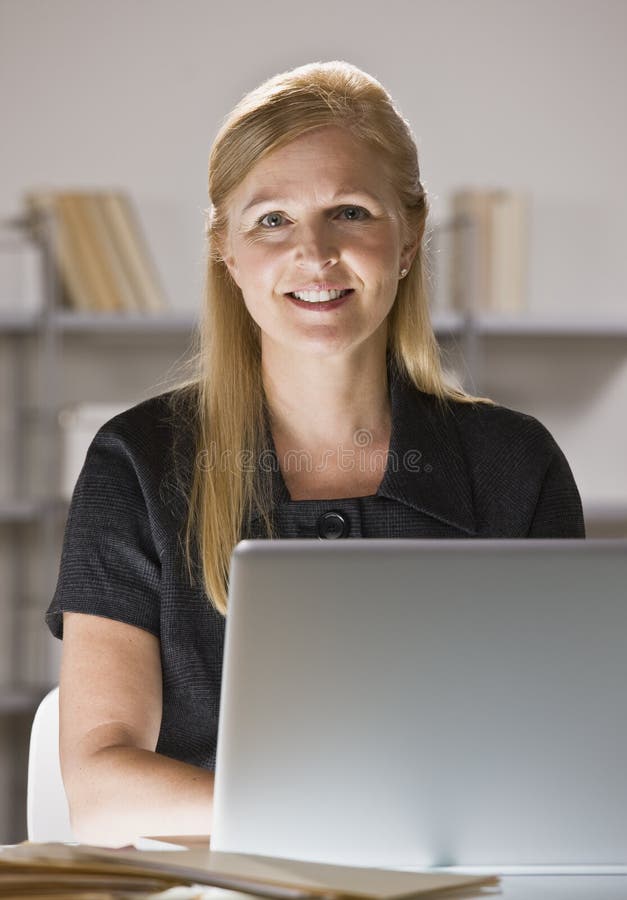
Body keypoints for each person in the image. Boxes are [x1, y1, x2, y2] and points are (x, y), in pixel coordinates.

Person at [45, 60, 585, 848]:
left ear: (408, 239)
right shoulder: (138, 460)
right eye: (271, 220)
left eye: (349, 212)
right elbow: (101, 791)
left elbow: (560, 751)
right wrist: (330, 818)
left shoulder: (515, 461)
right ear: (226, 251)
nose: (315, 253)